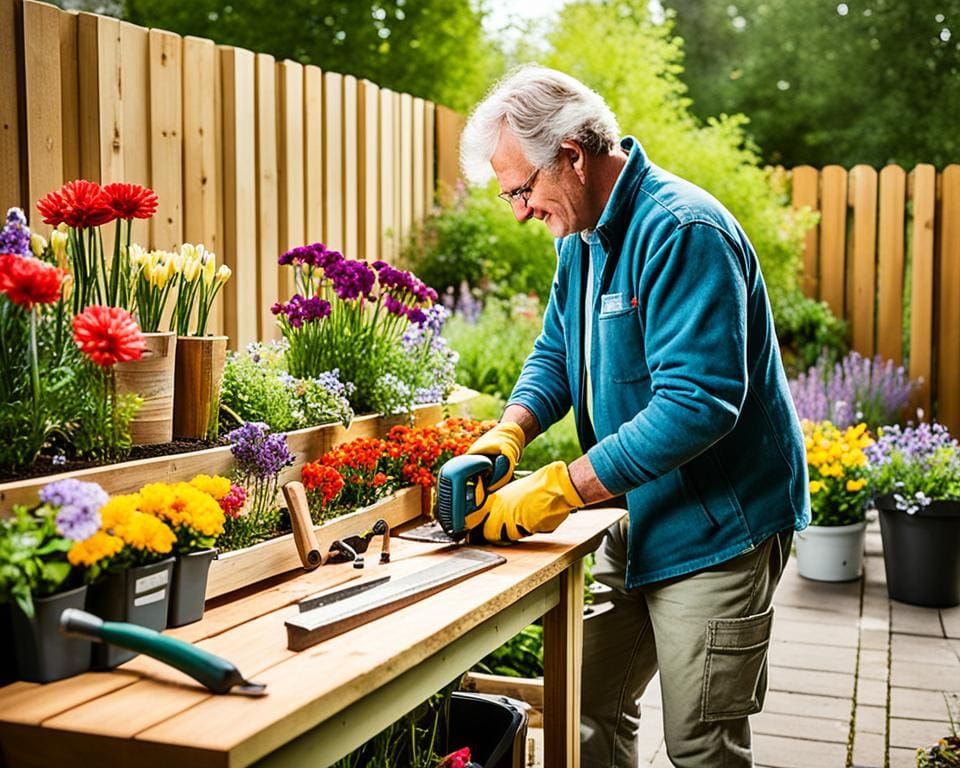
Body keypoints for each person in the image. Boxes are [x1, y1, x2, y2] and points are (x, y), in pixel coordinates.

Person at [458, 65, 810, 767]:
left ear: (572, 156)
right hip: (640, 514)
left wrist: (560, 489)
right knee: (583, 704)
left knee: (700, 744)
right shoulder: (583, 239)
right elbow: (557, 351)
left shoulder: (683, 230)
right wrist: (511, 431)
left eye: (522, 189)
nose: (519, 210)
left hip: (718, 528)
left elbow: (697, 404)